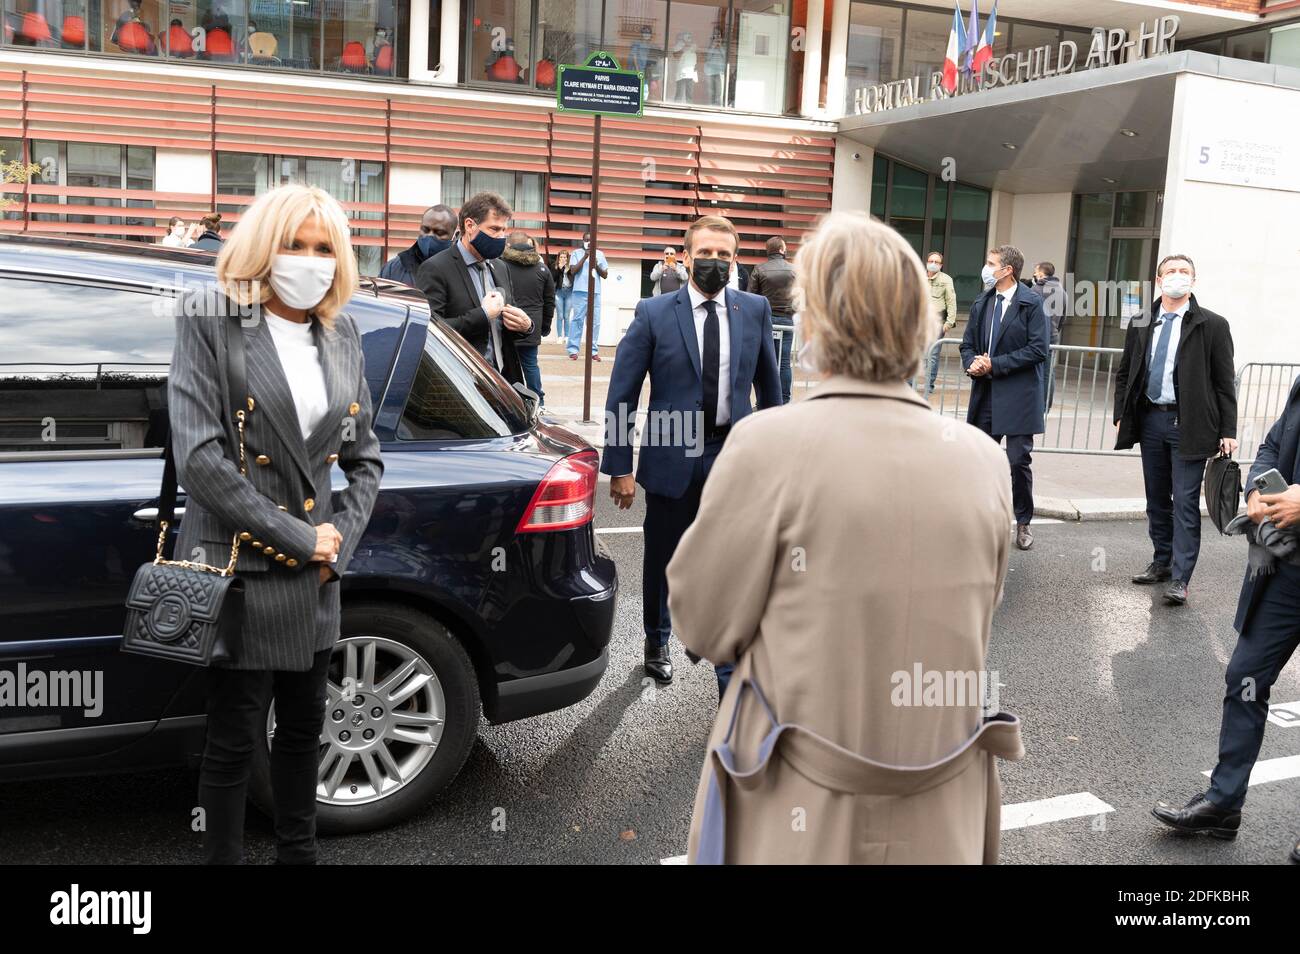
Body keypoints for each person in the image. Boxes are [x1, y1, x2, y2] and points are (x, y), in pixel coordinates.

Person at [666, 211, 1022, 864]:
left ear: (815, 321)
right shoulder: (982, 457)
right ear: (922, 321)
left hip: (797, 807)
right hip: (945, 806)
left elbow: (702, 622)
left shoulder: (767, 443)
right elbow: (977, 609)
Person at [168, 183, 383, 864]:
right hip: (244, 566)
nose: (310, 259)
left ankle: (301, 856)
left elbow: (366, 459)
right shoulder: (211, 319)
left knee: (302, 732)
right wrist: (299, 540)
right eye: (295, 244)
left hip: (317, 575)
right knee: (232, 741)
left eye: (323, 247)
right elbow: (200, 460)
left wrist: (335, 544)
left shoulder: (341, 330)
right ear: (264, 247)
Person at [601, 214, 781, 697]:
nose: (714, 263)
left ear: (736, 259)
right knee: (664, 556)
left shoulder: (755, 309)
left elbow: (771, 390)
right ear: (685, 257)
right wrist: (620, 466)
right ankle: (657, 641)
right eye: (705, 254)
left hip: (732, 453)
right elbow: (623, 393)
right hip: (670, 450)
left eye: (724, 255)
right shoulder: (654, 312)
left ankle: (726, 658)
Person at [1151, 380, 1300, 863]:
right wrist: (1259, 487)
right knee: (1246, 677)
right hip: (1286, 566)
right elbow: (1275, 444)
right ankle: (1223, 803)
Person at [1114, 254, 1237, 606]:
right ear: (1158, 279)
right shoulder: (1141, 321)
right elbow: (1125, 372)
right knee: (1156, 498)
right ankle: (1162, 561)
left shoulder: (1211, 324)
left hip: (1191, 425)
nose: (1177, 277)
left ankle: (1181, 578)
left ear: (1193, 282)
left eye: (1184, 272)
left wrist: (1228, 428)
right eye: (1171, 272)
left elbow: (1224, 382)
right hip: (1150, 420)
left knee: (1184, 502)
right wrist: (1121, 412)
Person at [960, 245, 1049, 552]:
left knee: (1017, 460)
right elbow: (967, 343)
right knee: (981, 461)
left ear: (1007, 269)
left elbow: (1038, 350)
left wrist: (994, 364)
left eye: (991, 263)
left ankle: (1023, 521)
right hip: (986, 393)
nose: (986, 268)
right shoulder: (982, 302)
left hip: (1020, 395)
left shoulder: (1032, 304)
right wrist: (972, 362)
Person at [415, 191, 533, 386]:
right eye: (494, 229)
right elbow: (430, 331)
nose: (501, 236)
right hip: (461, 385)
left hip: (503, 381)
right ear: (470, 226)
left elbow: (503, 326)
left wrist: (526, 326)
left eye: (504, 230)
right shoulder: (436, 268)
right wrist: (483, 314)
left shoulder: (500, 267)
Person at [501, 231, 555, 407]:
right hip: (532, 324)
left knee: (504, 364)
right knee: (531, 364)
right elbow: (549, 301)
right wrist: (544, 327)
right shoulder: (542, 269)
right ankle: (538, 401)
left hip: (506, 323)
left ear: (508, 245)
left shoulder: (500, 266)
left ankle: (508, 400)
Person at [746, 236, 796, 405]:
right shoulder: (794, 270)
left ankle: (764, 401)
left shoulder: (759, 269)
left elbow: (751, 295)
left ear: (768, 251)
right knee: (784, 362)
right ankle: (784, 400)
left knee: (765, 360)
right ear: (782, 250)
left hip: (765, 320)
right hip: (786, 320)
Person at [379, 204, 456, 288]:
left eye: (439, 232)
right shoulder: (393, 269)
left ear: (454, 237)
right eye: (425, 230)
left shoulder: (464, 271)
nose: (429, 236)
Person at [920, 251, 957, 397]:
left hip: (936, 322)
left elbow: (951, 301)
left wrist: (949, 322)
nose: (933, 264)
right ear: (927, 262)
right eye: (931, 261)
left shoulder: (946, 280)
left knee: (933, 355)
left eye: (936, 262)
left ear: (941, 265)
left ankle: (928, 385)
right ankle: (910, 384)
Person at [566, 231, 608, 361]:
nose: (588, 242)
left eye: (591, 240)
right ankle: (573, 350)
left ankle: (593, 351)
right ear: (582, 240)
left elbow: (605, 274)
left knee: (594, 322)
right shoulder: (576, 253)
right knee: (577, 320)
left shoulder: (600, 254)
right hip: (579, 292)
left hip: (595, 292)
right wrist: (585, 257)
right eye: (586, 240)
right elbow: (572, 271)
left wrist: (596, 265)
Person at [1031, 262, 1067, 411]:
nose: (1034, 274)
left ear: (1041, 273)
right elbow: (1063, 317)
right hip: (1052, 336)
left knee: (1038, 372)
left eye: (1035, 271)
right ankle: (1045, 405)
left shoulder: (1036, 290)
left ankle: (1037, 405)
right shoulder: (1062, 291)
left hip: (1037, 336)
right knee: (1048, 372)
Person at [552, 250, 572, 341]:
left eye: (565, 257)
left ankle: (567, 336)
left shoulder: (571, 267)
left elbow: (573, 278)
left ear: (567, 258)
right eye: (561, 257)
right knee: (560, 315)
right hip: (559, 292)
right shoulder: (555, 266)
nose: (563, 259)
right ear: (558, 258)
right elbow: (553, 278)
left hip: (569, 292)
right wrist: (559, 269)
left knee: (566, 315)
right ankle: (560, 336)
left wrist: (568, 271)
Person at [672, 32, 697, 103]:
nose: (689, 39)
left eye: (690, 37)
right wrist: (684, 49)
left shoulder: (694, 46)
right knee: (679, 93)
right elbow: (675, 55)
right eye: (687, 37)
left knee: (689, 95)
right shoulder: (679, 45)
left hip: (691, 73)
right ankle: (676, 109)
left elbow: (696, 58)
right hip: (681, 74)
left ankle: (689, 109)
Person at [704, 30, 726, 106]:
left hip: (719, 72)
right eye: (716, 36)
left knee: (719, 90)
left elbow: (726, 57)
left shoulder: (723, 46)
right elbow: (707, 58)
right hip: (710, 71)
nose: (717, 38)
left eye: (719, 36)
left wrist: (720, 47)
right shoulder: (710, 46)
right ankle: (711, 105)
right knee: (712, 90)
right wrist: (713, 46)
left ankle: (718, 105)